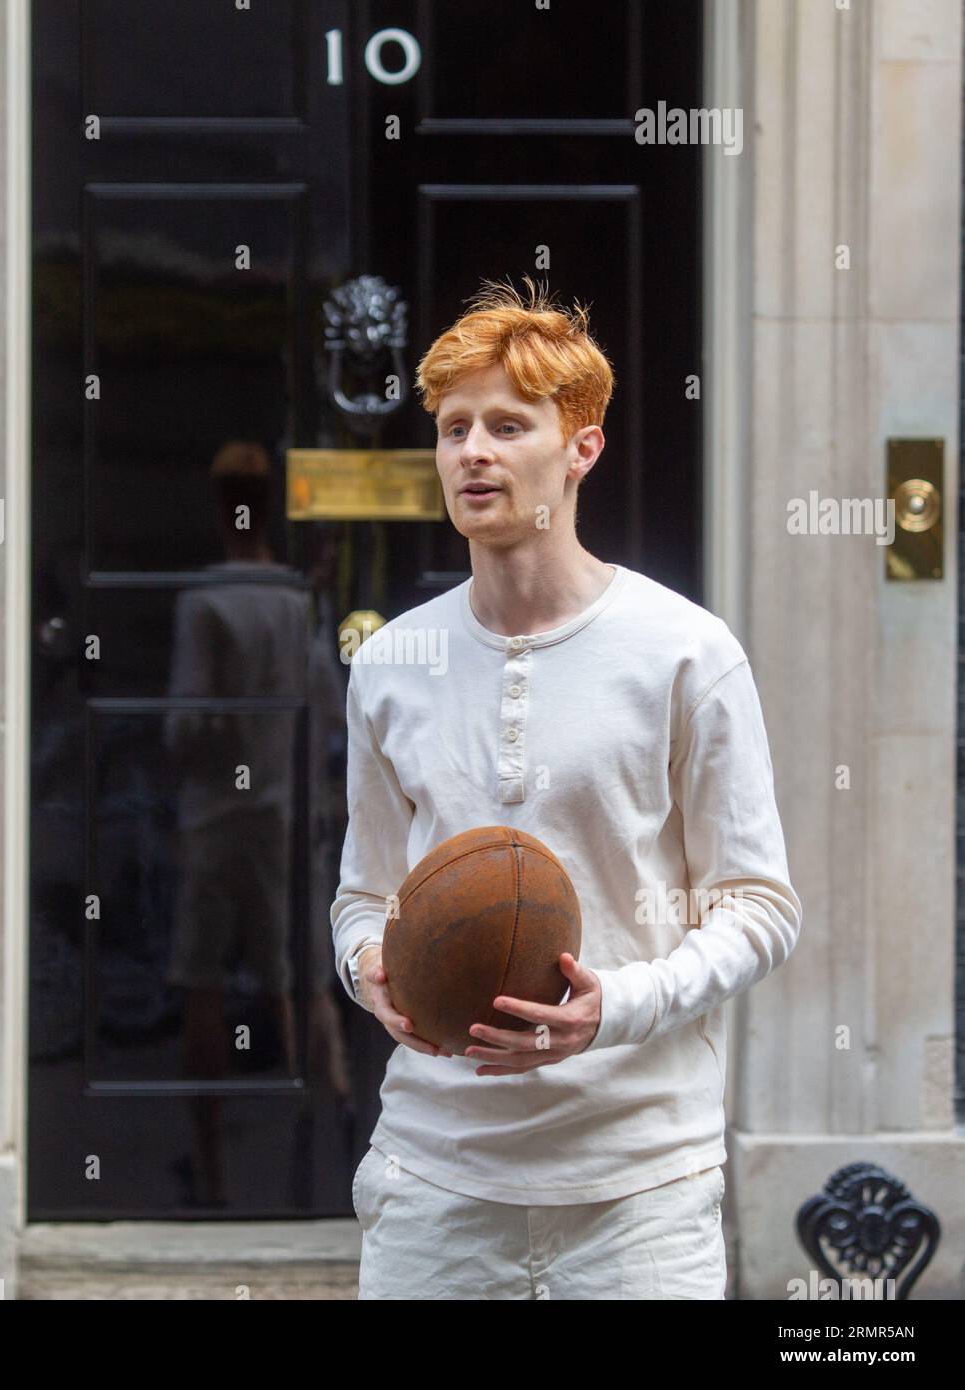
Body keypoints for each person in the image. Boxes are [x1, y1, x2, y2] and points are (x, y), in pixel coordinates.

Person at [329, 275, 803, 1299]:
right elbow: (362, 894)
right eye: (454, 428)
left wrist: (613, 1008)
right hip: (433, 1183)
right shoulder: (389, 664)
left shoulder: (685, 653)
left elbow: (759, 907)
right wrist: (371, 967)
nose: (472, 452)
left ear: (580, 446)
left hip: (638, 1191)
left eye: (507, 424)